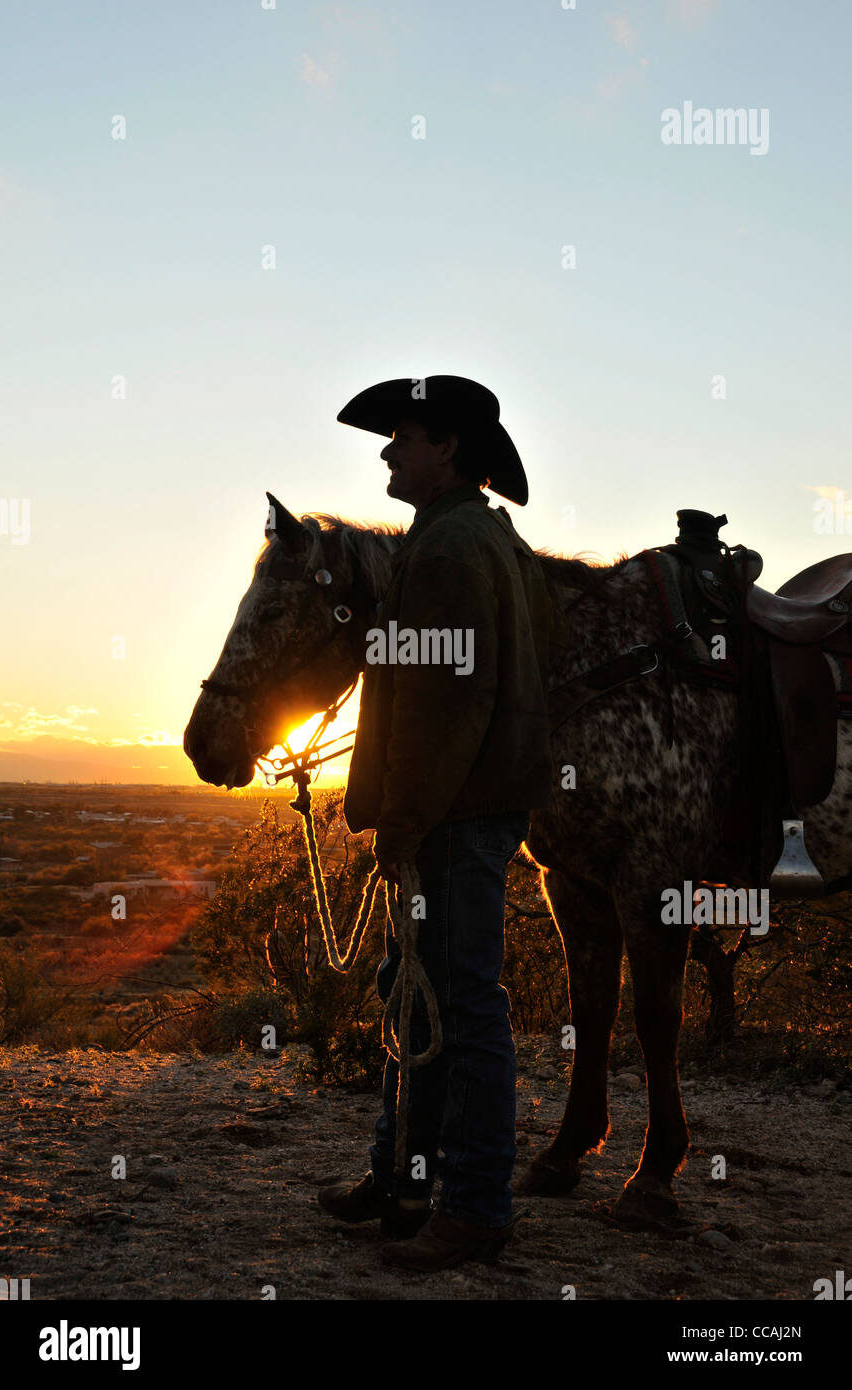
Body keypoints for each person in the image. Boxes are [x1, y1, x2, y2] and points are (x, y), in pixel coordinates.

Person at [317, 375, 553, 1272]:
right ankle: (403, 1180)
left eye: (403, 437)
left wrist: (405, 820)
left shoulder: (452, 550)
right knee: (414, 992)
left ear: (445, 450)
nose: (386, 451)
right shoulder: (487, 540)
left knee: (457, 1005)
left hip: (451, 816)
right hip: (468, 809)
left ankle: (476, 1209)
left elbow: (447, 710)